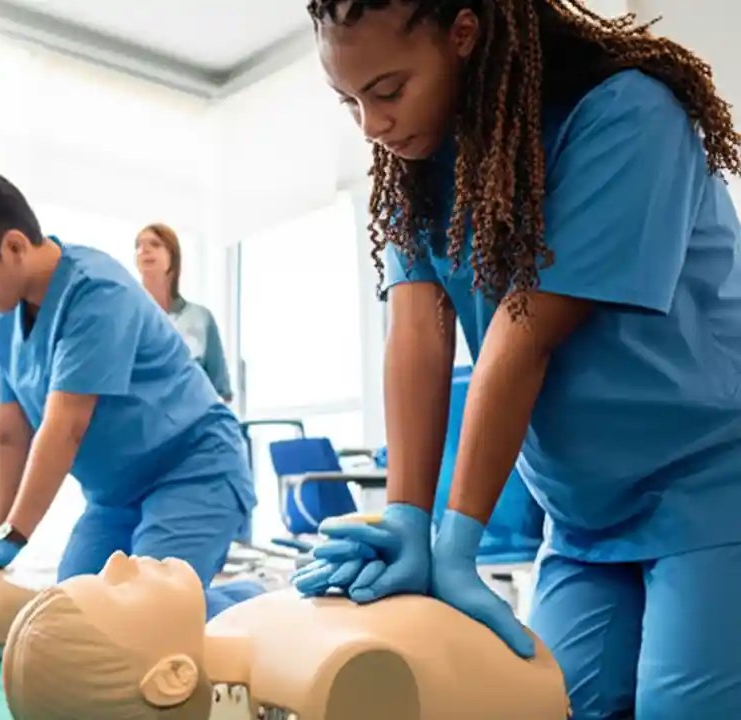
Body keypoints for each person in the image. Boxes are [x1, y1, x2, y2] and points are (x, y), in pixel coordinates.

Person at [293, 1, 741, 717]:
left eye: (386, 91)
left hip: (714, 484)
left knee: (681, 706)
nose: (371, 125)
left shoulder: (628, 115)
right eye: (349, 102)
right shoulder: (422, 165)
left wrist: (459, 538)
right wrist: (410, 520)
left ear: (463, 36)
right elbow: (418, 329)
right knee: (544, 703)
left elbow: (523, 329)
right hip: (585, 515)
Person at [0, 170, 256, 611]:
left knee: (141, 614)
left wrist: (17, 533)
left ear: (15, 246)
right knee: (71, 618)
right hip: (115, 495)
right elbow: (10, 429)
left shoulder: (96, 291)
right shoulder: (1, 313)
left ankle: (257, 604)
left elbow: (66, 426)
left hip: (193, 470)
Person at [134, 223, 232, 402]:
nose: (144, 250)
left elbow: (221, 391)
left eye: (155, 244)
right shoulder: (126, 319)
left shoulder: (201, 318)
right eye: (139, 245)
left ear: (173, 257)